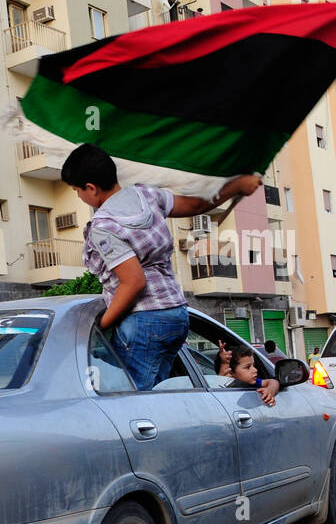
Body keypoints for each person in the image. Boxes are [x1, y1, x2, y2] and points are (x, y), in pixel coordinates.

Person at [63, 143, 262, 390]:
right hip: (176, 314)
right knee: (160, 396)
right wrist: (235, 187)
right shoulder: (144, 195)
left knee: (132, 404)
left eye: (76, 190)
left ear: (90, 188)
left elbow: (134, 282)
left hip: (144, 319)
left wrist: (99, 326)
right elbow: (196, 206)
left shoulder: (104, 226)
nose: (79, 197)